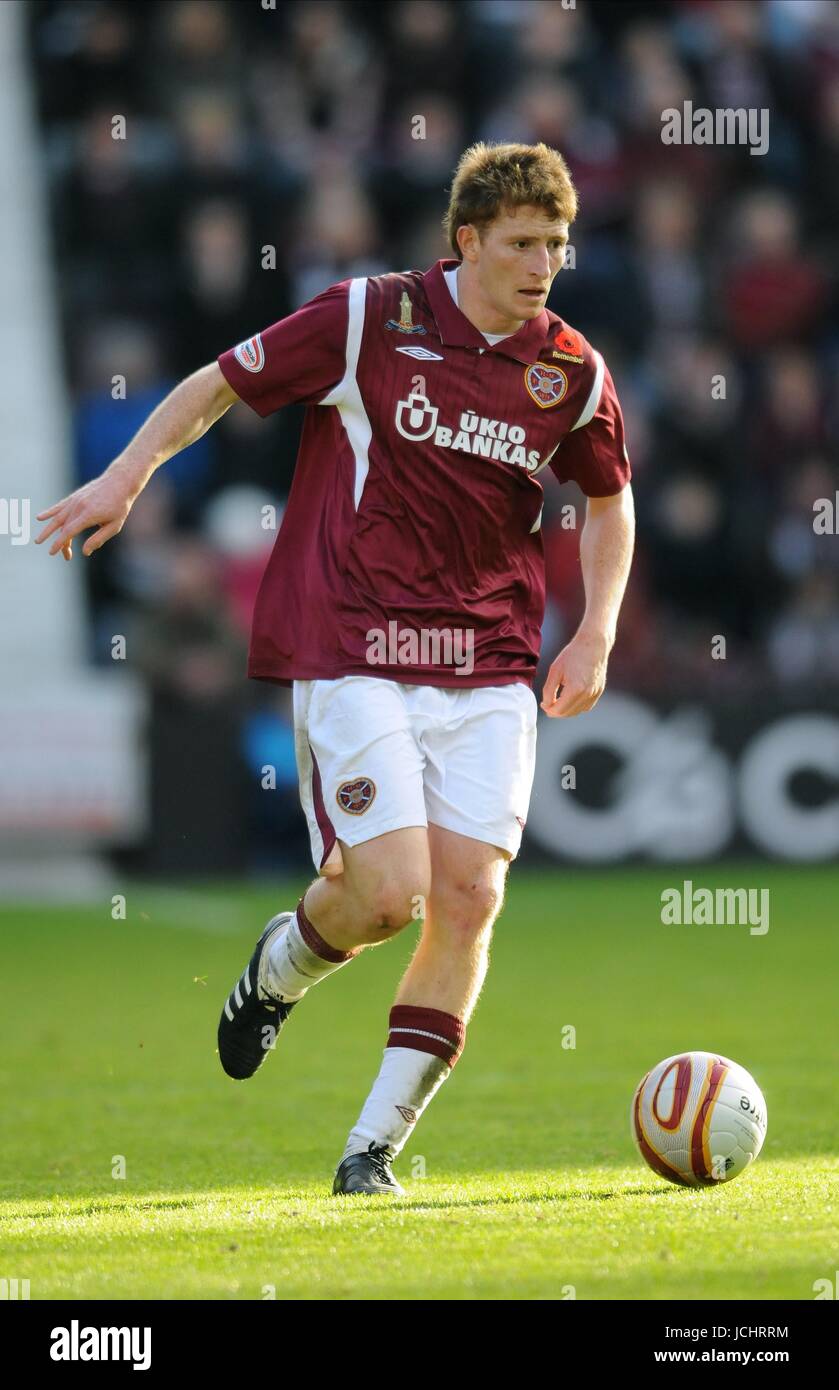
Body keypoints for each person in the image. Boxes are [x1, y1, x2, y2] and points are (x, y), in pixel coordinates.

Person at [36, 141, 635, 1196]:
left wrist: (593, 632)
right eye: (522, 242)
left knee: (469, 899)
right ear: (468, 240)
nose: (544, 261)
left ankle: (371, 1150)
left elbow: (608, 499)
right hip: (359, 648)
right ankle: (281, 967)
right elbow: (219, 382)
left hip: (490, 663)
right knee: (384, 897)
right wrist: (126, 477)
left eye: (557, 242)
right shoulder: (369, 319)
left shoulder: (572, 371)